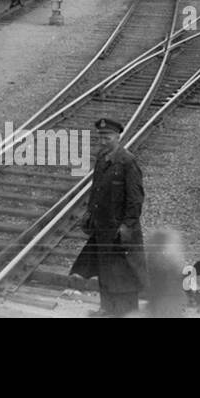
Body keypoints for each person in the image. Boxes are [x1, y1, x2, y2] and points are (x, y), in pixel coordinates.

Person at [70, 117, 146, 316]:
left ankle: (126, 313)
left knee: (124, 276)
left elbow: (136, 199)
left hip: (121, 232)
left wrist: (127, 227)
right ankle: (107, 310)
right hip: (102, 230)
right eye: (100, 136)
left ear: (118, 136)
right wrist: (90, 215)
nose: (103, 140)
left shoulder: (127, 161)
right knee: (105, 272)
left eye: (108, 136)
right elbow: (96, 191)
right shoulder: (102, 159)